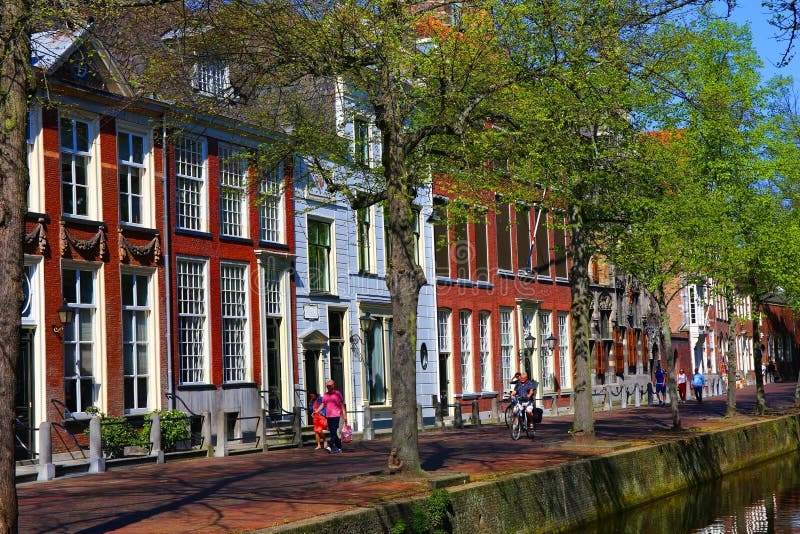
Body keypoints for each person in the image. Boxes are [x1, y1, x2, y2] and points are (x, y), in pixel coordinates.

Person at [322, 379, 346, 453]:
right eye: (327, 386)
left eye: (329, 386)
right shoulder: (325, 395)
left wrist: (344, 415)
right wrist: (316, 411)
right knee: (333, 433)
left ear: (333, 386)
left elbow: (342, 405)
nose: (328, 387)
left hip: (336, 415)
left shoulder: (338, 394)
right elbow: (322, 404)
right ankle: (339, 448)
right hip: (328, 416)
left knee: (334, 431)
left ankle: (330, 446)